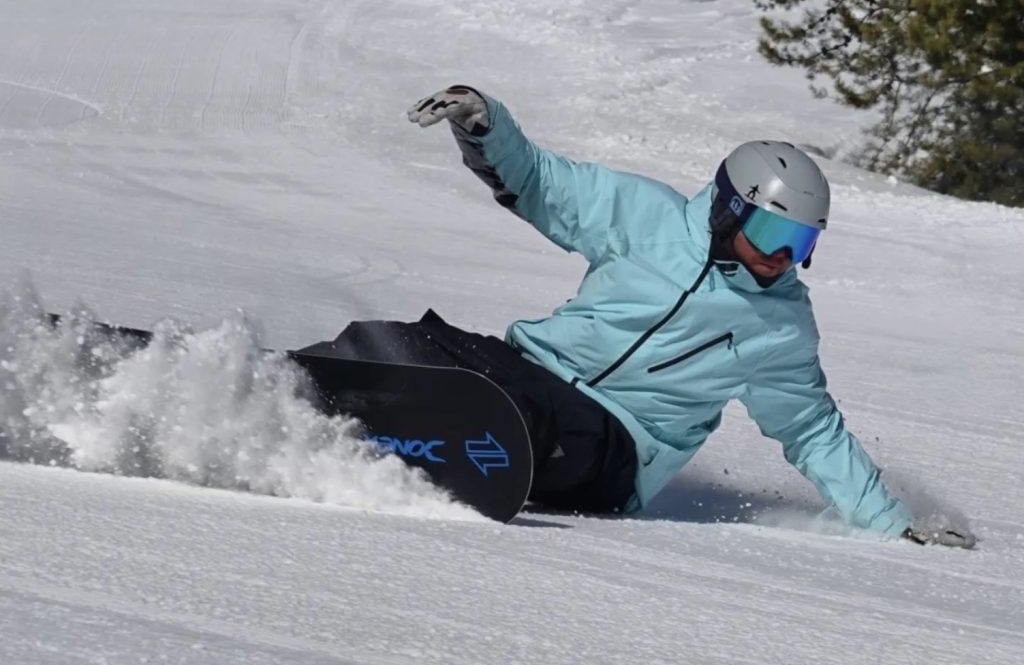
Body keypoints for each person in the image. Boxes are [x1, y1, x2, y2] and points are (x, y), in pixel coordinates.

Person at [335, 85, 975, 548]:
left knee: (518, 406)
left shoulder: (781, 328)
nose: (783, 258)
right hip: (530, 375)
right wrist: (484, 122)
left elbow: (812, 432)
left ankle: (434, 442)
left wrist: (891, 524)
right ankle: (290, 391)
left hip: (618, 449)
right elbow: (542, 183)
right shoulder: (647, 218)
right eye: (774, 233)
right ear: (729, 209)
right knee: (406, 344)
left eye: (802, 244)